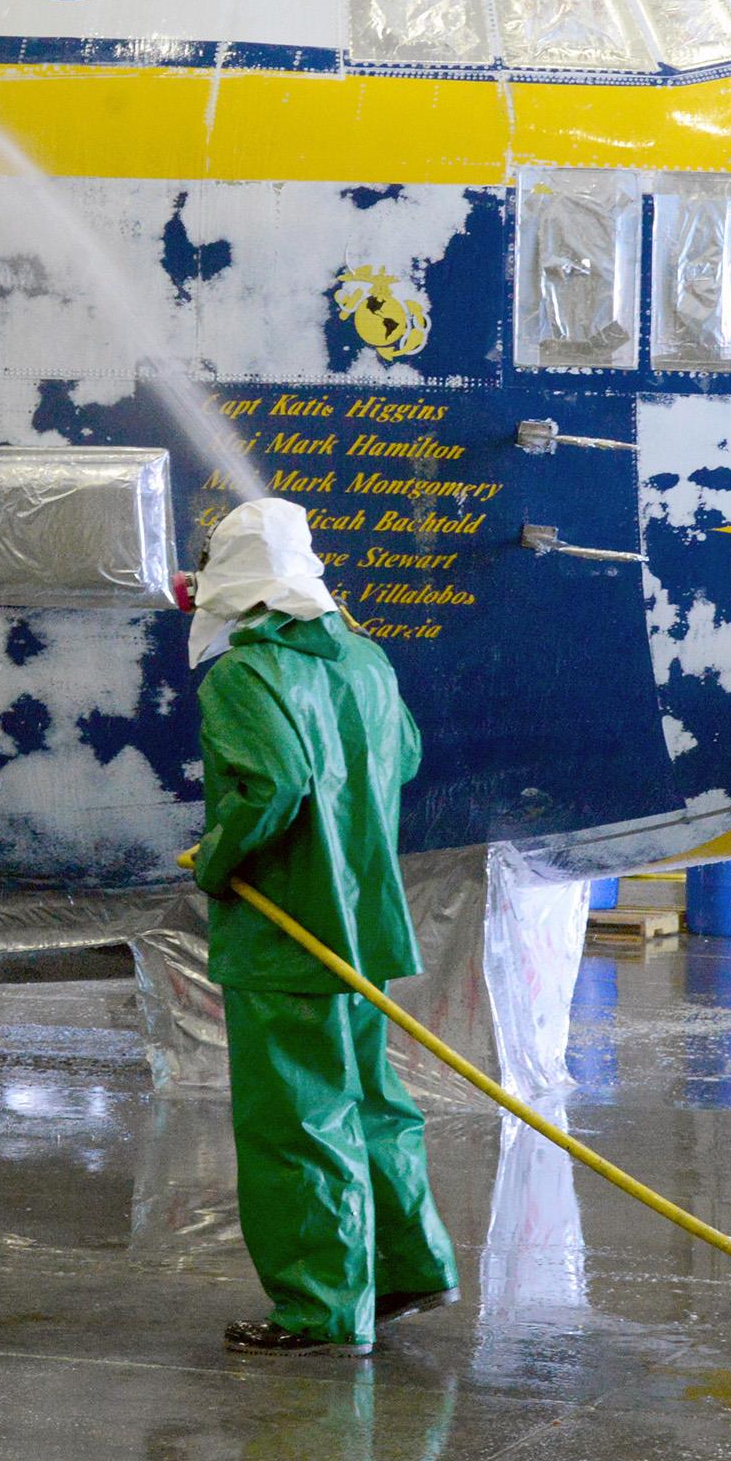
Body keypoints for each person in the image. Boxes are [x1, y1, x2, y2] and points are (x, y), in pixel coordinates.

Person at [186, 497, 458, 1357]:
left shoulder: (243, 675)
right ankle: (412, 1265)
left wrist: (213, 859)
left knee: (297, 1117)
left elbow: (270, 785)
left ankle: (321, 1306)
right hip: (363, 925)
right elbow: (405, 755)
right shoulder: (366, 658)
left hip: (289, 930)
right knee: (371, 1099)